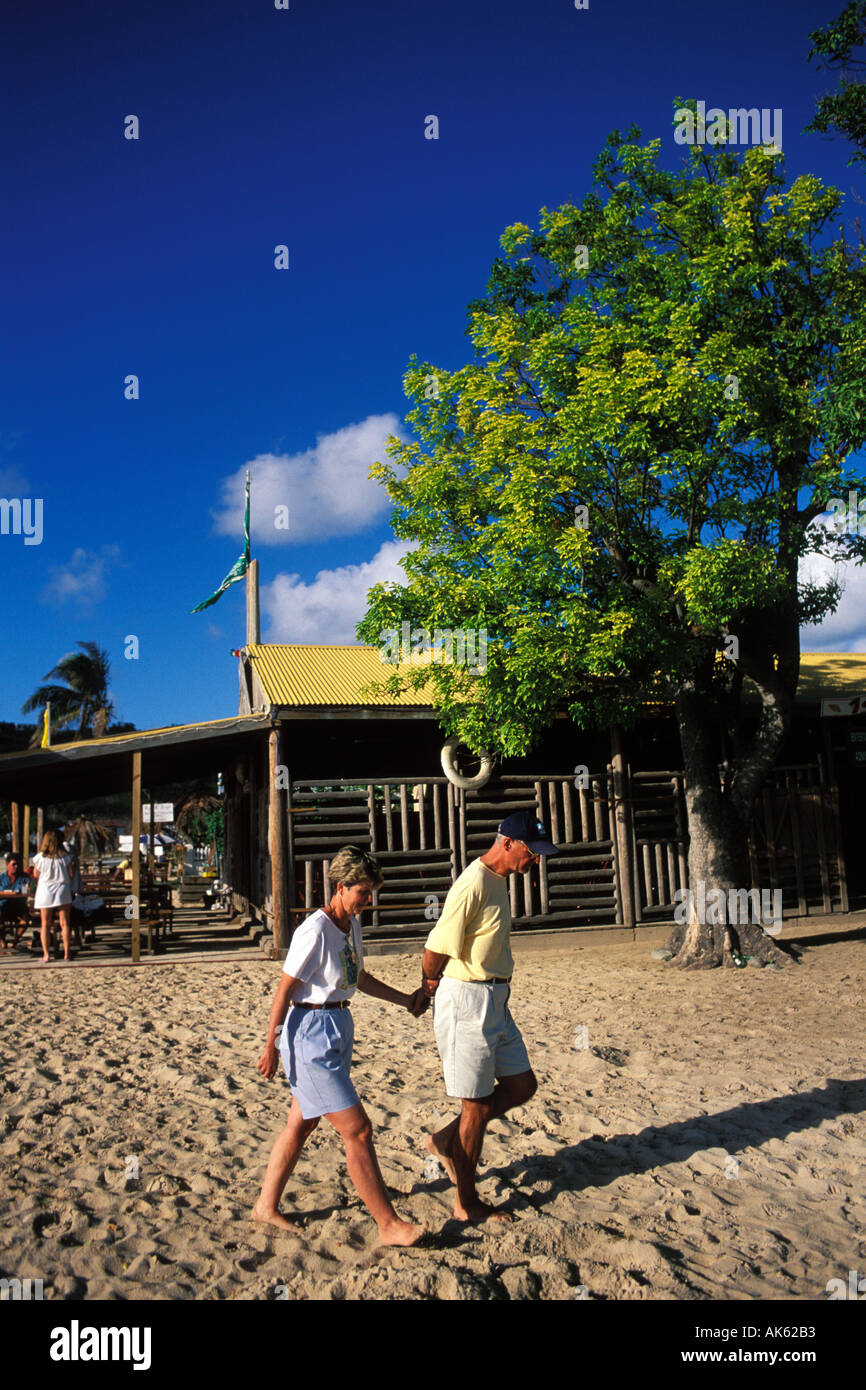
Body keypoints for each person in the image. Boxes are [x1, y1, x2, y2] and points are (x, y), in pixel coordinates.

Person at [253, 844, 430, 1247]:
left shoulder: (350, 925)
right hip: (309, 1035)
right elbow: (284, 991)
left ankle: (265, 1206)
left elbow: (358, 978)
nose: (367, 901)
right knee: (359, 1130)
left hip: (337, 1028)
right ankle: (388, 1224)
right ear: (340, 886)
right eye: (362, 892)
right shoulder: (313, 931)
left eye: (370, 893)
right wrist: (271, 1045)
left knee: (301, 1123)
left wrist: (405, 1001)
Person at [420, 810, 559, 1223]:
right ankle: (467, 1202)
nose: (535, 860)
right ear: (508, 844)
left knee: (521, 1085)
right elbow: (436, 945)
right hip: (467, 1000)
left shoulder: (499, 880)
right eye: (531, 853)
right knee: (476, 1107)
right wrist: (428, 985)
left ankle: (447, 1139)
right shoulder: (474, 882)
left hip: (496, 998)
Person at [31, 830, 76, 963]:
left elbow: (35, 875)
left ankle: (46, 954)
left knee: (45, 924)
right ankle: (67, 953)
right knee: (65, 923)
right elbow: (71, 875)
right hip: (62, 888)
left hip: (45, 889)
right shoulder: (65, 857)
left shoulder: (39, 858)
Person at [0, 854, 31, 951]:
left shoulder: (24, 877)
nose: (16, 867)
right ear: (7, 864)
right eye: (13, 864)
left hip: (19, 906)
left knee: (25, 919)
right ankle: (2, 941)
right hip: (4, 905)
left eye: (18, 864)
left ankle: (15, 941)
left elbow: (29, 890)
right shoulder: (1, 878)